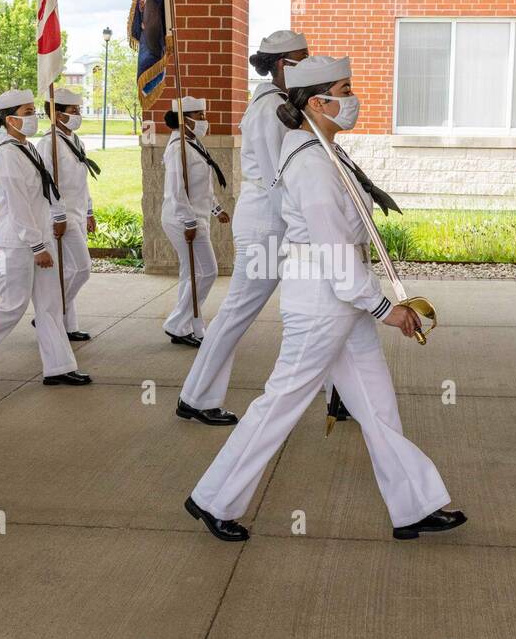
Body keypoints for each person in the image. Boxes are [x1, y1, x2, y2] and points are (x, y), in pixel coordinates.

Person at [185, 56, 466, 542]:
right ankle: (213, 498)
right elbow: (334, 250)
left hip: (342, 299)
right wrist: (385, 308)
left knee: (377, 405)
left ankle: (414, 505)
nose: (353, 98)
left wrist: (370, 300)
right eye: (345, 88)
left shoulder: (325, 150)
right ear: (317, 102)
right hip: (323, 301)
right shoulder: (312, 162)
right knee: (281, 403)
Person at [177, 31, 308, 424]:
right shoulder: (270, 110)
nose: (310, 61)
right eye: (303, 57)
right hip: (269, 224)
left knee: (327, 304)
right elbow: (276, 177)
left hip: (277, 220)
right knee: (237, 312)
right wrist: (307, 223)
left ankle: (343, 394)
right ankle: (197, 398)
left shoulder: (280, 103)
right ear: (283, 64)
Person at [0, 89, 90, 386]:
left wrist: (56, 217)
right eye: (27, 112)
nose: (33, 117)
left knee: (50, 304)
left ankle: (59, 366)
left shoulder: (28, 148)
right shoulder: (6, 155)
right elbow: (18, 205)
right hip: (15, 244)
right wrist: (37, 244)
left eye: (33, 111)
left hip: (39, 238)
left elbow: (46, 189)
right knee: (11, 306)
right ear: (8, 118)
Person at [161, 96, 229, 347]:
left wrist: (216, 209)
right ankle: (177, 323)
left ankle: (193, 325)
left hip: (197, 216)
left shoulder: (193, 143)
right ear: (184, 120)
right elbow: (175, 191)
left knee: (190, 274)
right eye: (199, 116)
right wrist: (188, 223)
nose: (204, 120)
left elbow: (202, 185)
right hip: (183, 219)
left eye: (203, 114)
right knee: (207, 272)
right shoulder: (177, 148)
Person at [37, 88, 97, 342]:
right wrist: (56, 216)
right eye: (73, 111)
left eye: (78, 111)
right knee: (82, 269)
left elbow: (82, 181)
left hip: (78, 211)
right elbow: (45, 184)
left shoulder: (75, 141)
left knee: (69, 270)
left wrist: (90, 211)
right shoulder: (47, 143)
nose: (77, 116)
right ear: (58, 115)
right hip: (61, 215)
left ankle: (66, 325)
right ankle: (48, 312)